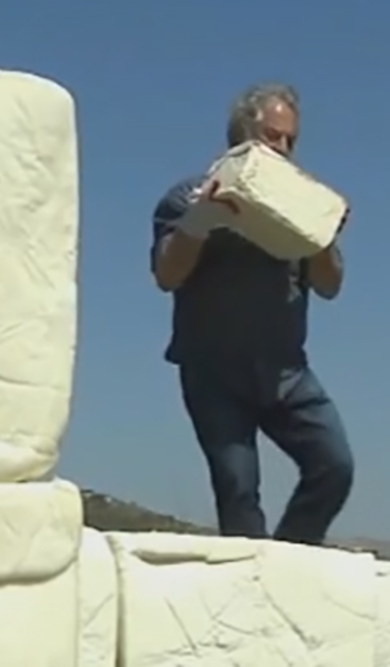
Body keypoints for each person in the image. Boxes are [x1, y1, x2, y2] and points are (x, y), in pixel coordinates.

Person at [149, 82, 355, 545]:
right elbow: (167, 274)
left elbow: (329, 286)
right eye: (272, 135)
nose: (282, 148)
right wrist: (200, 223)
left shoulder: (296, 207)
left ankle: (287, 563)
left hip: (286, 371)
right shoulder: (187, 198)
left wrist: (321, 234)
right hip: (214, 373)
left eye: (290, 140)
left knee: (334, 466)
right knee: (239, 496)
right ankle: (251, 588)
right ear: (242, 134)